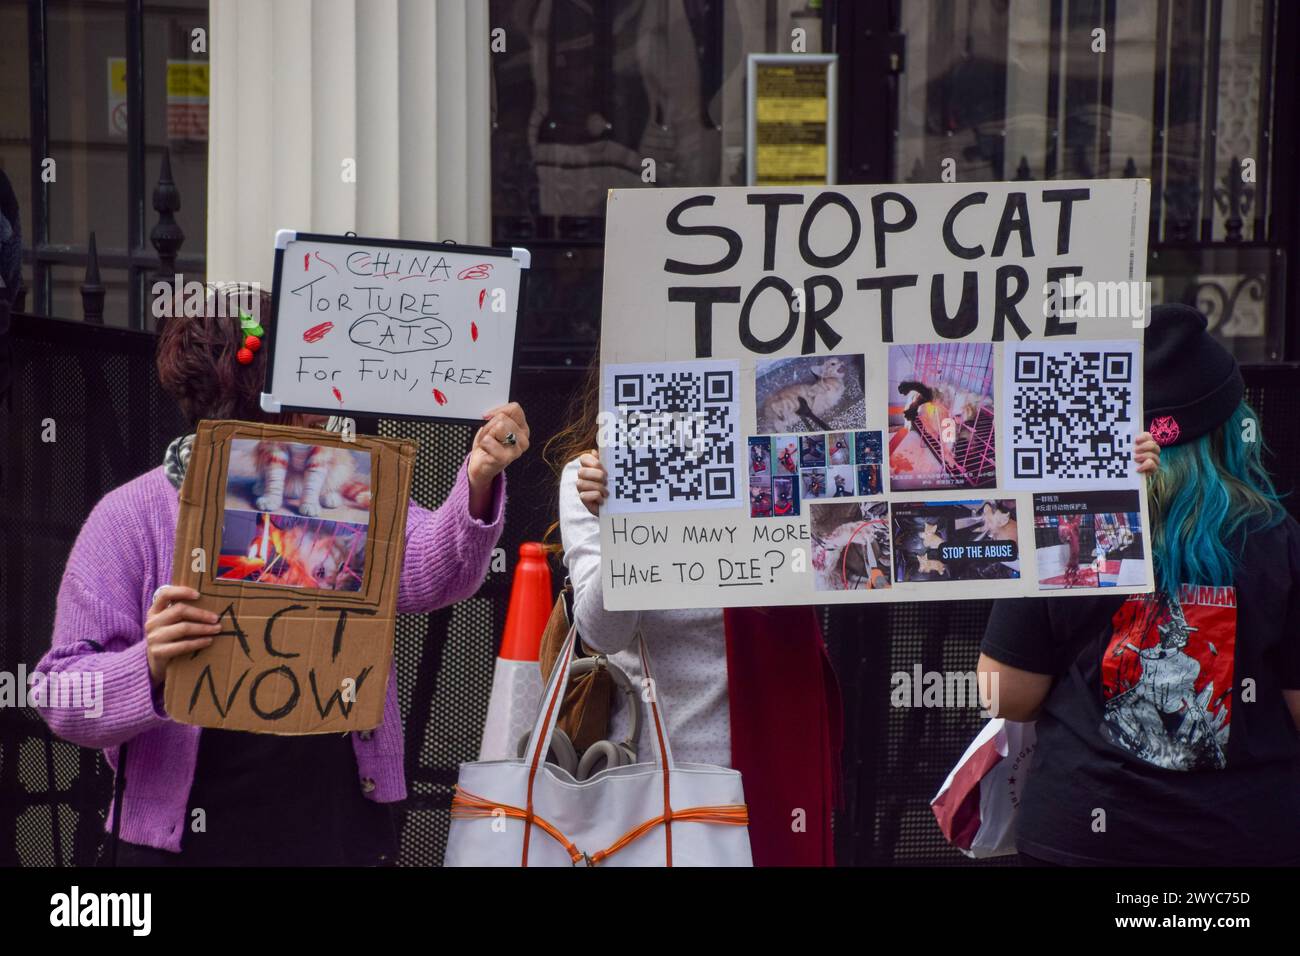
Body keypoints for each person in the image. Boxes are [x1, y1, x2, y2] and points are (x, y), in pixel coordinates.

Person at [34, 287, 529, 866]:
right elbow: (60, 696)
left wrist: (478, 476)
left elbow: (434, 572)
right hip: (182, 848)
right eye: (305, 387)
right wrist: (146, 665)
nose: (322, 408)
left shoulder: (343, 493)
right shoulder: (130, 517)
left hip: (332, 828)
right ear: (253, 403)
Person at [979, 303, 1300, 866]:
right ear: (1231, 426)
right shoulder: (1279, 541)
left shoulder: (1064, 529)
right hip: (1240, 842)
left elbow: (1003, 695)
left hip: (1082, 836)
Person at [547, 362, 843, 867]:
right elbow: (604, 632)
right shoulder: (593, 475)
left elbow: (824, 569)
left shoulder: (775, 455)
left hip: (772, 754)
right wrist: (625, 517)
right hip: (653, 768)